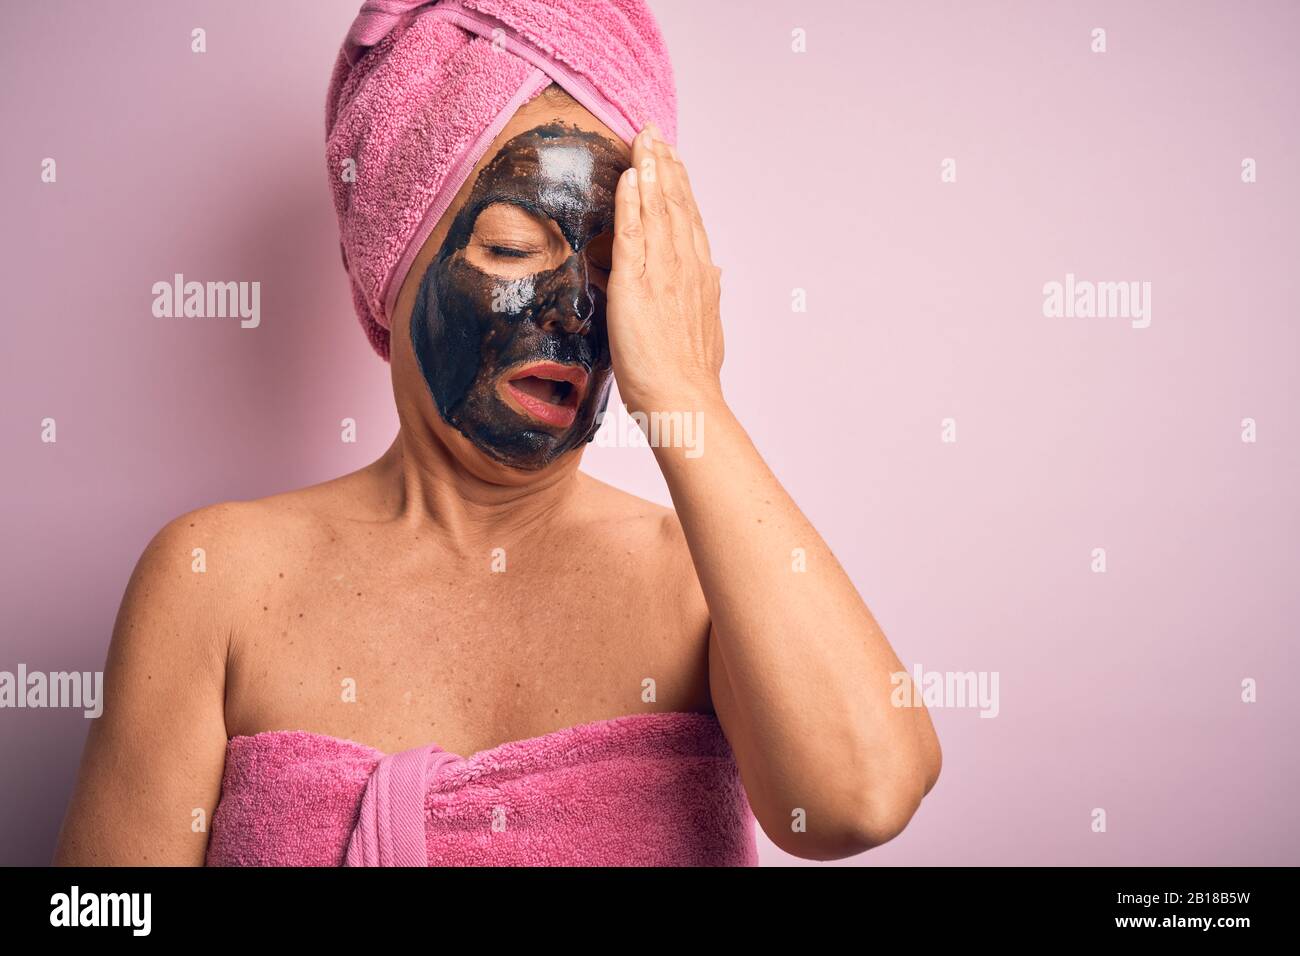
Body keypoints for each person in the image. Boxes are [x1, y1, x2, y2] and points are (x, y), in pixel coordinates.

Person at [53, 0, 940, 867]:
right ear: (389, 260)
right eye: (513, 249)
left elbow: (858, 798)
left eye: (612, 268)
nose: (577, 307)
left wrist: (687, 395)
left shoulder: (709, 584)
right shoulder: (214, 580)